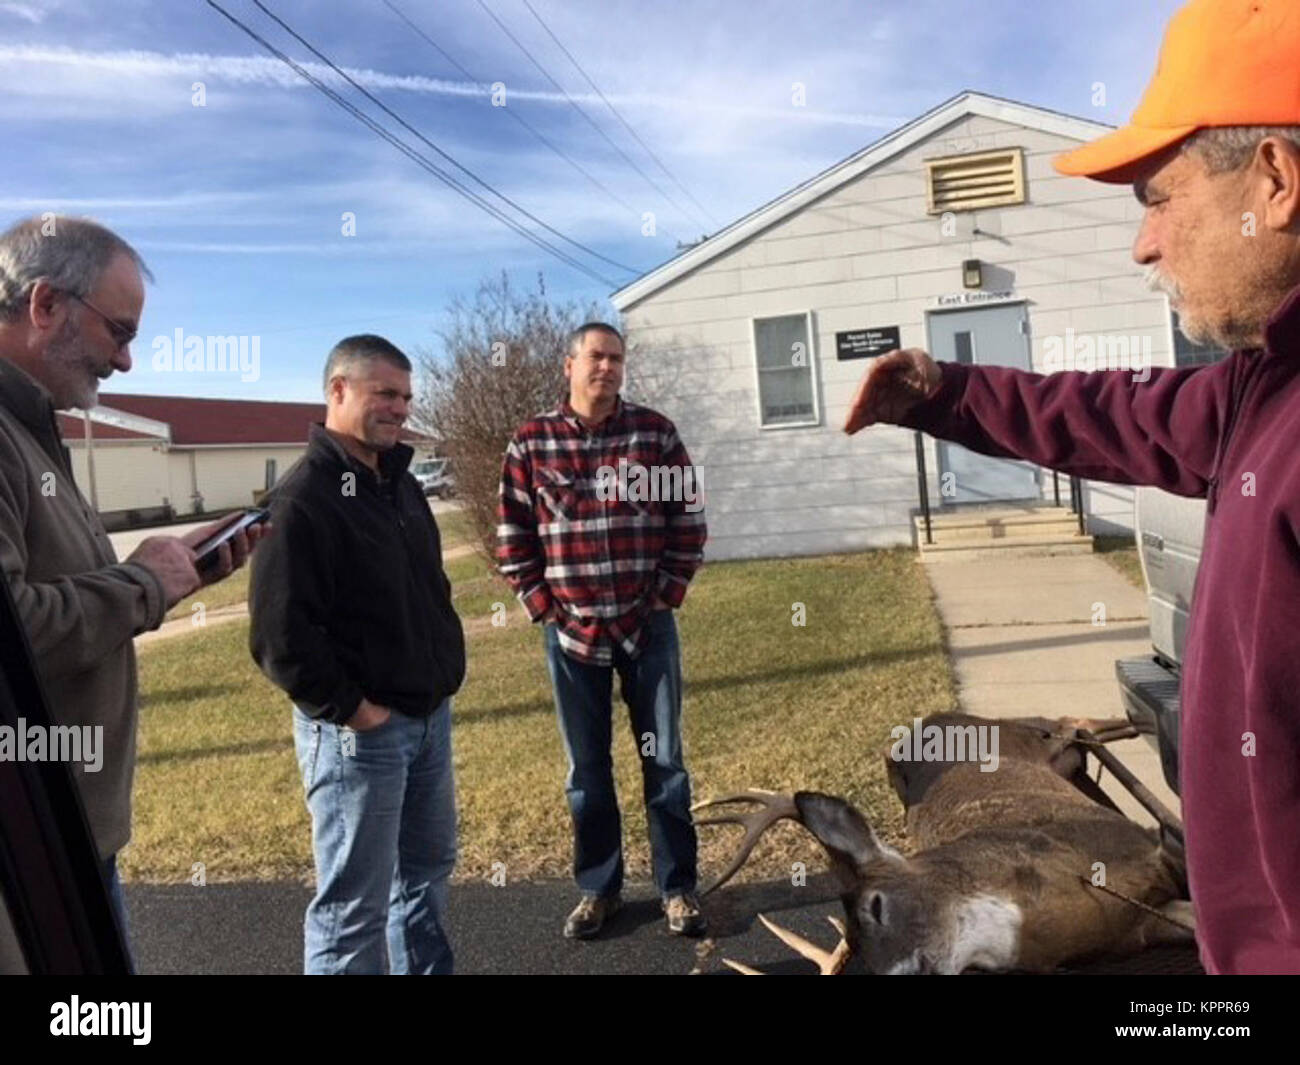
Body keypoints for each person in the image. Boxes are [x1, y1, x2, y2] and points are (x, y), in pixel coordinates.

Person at [845, 0, 1300, 975]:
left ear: (1274, 178)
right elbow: (1115, 412)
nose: (1142, 245)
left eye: (1158, 198)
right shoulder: (1263, 385)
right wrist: (949, 393)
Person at [0, 215, 263, 970]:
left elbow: (65, 586)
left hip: (74, 836)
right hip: (31, 862)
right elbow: (11, 628)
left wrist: (171, 569)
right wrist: (144, 585)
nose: (125, 359)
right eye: (118, 330)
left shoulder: (32, 425)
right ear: (45, 303)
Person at [250, 334, 465, 975]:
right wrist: (355, 711)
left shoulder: (398, 483)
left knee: (424, 879)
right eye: (384, 394)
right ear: (337, 392)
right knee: (352, 911)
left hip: (427, 722)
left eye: (404, 396)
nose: (399, 409)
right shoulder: (302, 500)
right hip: (358, 736)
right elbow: (278, 637)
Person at [497, 322, 708, 939]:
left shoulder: (655, 434)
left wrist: (665, 596)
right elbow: (513, 537)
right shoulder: (531, 442)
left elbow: (687, 520)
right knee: (585, 773)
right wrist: (544, 608)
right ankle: (599, 889)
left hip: (648, 630)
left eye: (616, 359)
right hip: (571, 638)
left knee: (665, 763)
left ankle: (677, 888)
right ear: (569, 365)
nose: (607, 368)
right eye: (595, 357)